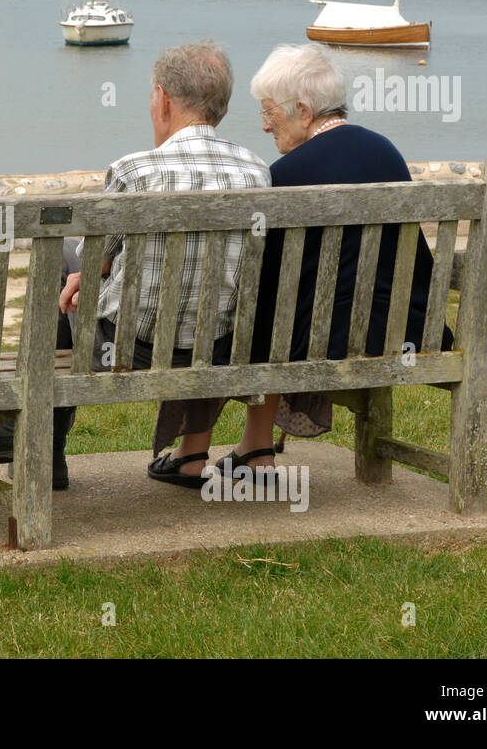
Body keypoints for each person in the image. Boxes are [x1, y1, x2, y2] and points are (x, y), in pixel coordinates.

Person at [149, 42, 453, 486]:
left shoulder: (287, 176)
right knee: (287, 308)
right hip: (401, 330)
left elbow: (258, 280)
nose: (265, 123)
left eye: (270, 111)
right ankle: (253, 450)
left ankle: (195, 451)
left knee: (238, 315)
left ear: (304, 110)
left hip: (319, 340)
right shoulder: (386, 153)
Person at [0, 42, 270, 488]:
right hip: (216, 343)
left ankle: (41, 452)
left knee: (64, 256)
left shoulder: (135, 171)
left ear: (164, 99)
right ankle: (188, 451)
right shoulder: (256, 172)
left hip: (130, 347)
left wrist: (86, 273)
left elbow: (98, 258)